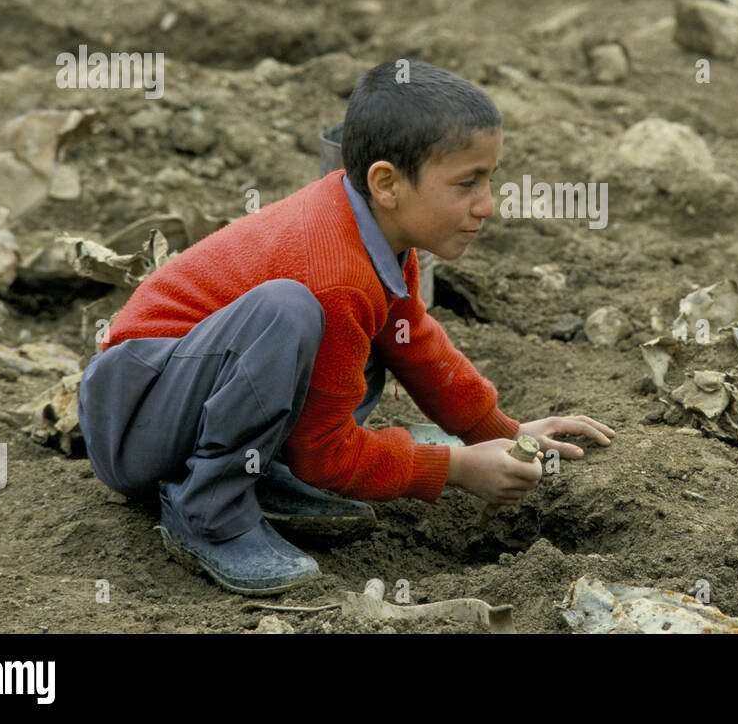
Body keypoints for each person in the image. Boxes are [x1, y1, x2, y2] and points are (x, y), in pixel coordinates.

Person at [76, 59, 615, 595]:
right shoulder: (337, 274)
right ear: (387, 183)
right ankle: (208, 509)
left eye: (489, 180)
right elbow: (326, 453)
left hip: (175, 400)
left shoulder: (371, 224)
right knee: (291, 312)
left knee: (369, 335)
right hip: (133, 420)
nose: (487, 206)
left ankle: (252, 472)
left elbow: (416, 344)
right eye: (467, 184)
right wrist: (453, 467)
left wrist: (502, 432)